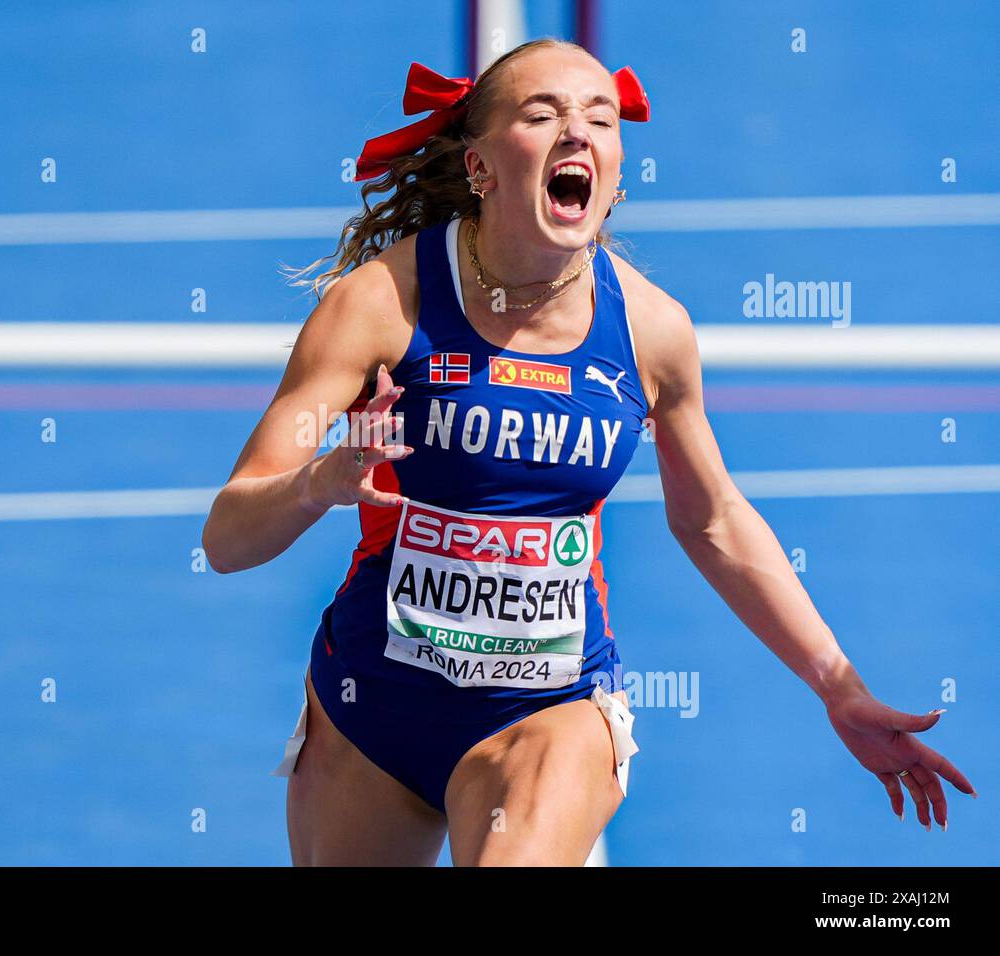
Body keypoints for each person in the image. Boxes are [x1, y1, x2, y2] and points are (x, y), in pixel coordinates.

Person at [201, 38, 976, 866]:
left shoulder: (650, 331)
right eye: (543, 114)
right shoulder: (384, 305)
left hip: (548, 712)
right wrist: (319, 482)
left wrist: (838, 686)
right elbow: (226, 539)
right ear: (481, 168)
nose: (577, 130)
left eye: (599, 118)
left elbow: (712, 519)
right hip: (371, 706)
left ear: (615, 170)